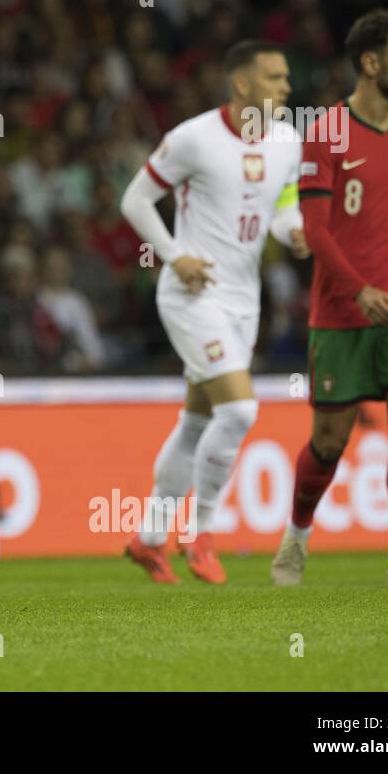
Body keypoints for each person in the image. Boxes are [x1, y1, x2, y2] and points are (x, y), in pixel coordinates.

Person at [271, 10, 388, 586]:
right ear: (370, 63)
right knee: (328, 440)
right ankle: (296, 537)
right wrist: (359, 288)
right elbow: (317, 226)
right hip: (340, 309)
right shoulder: (326, 130)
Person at [119, 40, 308, 583]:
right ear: (242, 85)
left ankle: (148, 538)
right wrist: (175, 257)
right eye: (275, 78)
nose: (286, 88)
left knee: (198, 419)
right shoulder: (193, 139)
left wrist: (291, 230)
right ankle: (198, 534)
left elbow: (281, 204)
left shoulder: (288, 141)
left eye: (287, 77)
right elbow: (133, 200)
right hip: (192, 295)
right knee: (241, 413)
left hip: (244, 301)